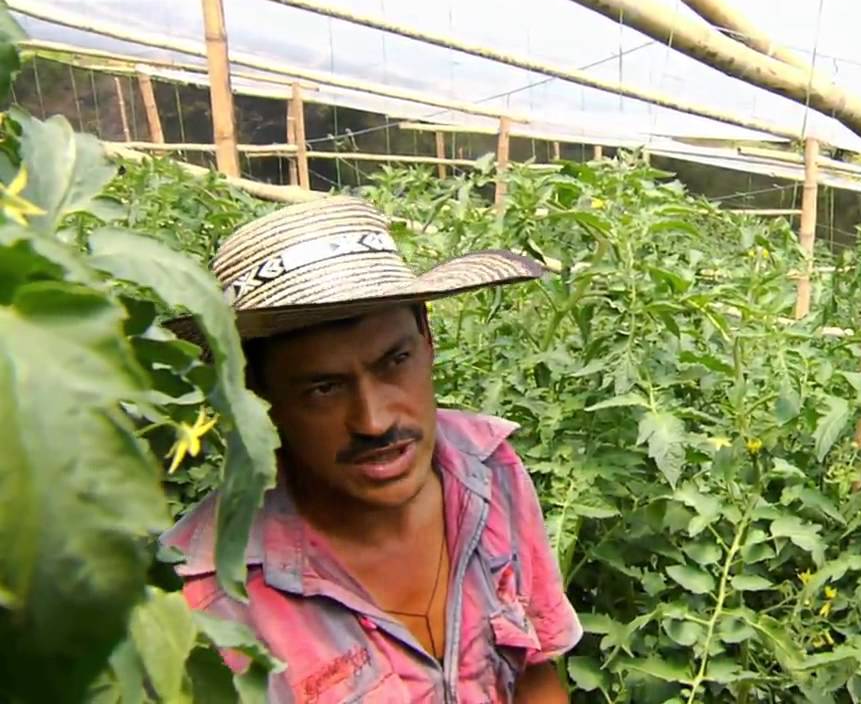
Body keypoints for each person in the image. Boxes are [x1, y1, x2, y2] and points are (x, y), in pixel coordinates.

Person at [161, 196, 581, 702]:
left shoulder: (491, 469)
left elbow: (535, 672)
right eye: (323, 388)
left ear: (427, 338)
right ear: (257, 389)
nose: (374, 421)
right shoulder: (204, 596)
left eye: (394, 361)